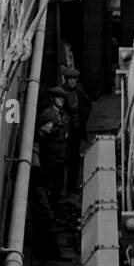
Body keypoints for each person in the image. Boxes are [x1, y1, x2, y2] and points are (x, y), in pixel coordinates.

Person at [37, 85, 71, 209]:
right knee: (52, 184)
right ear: (53, 99)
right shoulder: (47, 114)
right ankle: (52, 209)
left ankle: (55, 209)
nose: (62, 100)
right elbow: (41, 134)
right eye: (59, 98)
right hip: (50, 156)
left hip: (61, 155)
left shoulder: (64, 115)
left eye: (63, 98)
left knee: (59, 184)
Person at [60, 64, 92, 194]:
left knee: (74, 159)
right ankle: (65, 187)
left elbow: (88, 102)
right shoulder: (61, 92)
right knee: (65, 159)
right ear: (66, 79)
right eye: (70, 79)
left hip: (76, 130)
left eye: (74, 79)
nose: (72, 81)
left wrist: (84, 116)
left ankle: (71, 186)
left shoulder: (79, 91)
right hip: (66, 132)